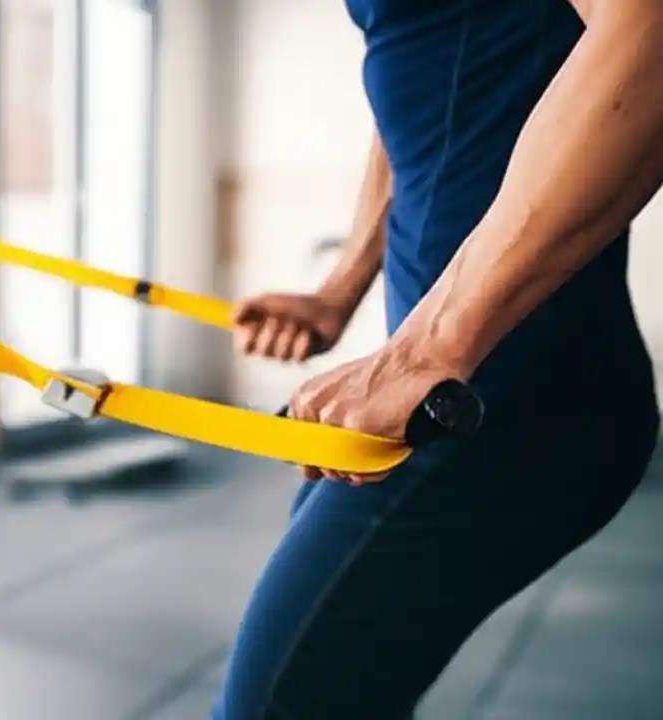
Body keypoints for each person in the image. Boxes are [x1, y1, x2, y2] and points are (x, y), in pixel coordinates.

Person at [214, 0, 663, 717]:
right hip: (454, 390)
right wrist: (341, 289)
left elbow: (651, 30)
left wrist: (434, 345)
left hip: (492, 402)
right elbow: (424, 62)